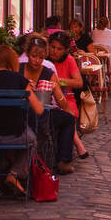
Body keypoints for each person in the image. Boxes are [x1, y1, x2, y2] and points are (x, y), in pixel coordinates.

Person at [0, 44, 43, 198]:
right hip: (16, 134)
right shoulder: (20, 80)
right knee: (33, 140)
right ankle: (14, 173)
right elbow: (39, 110)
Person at [20, 36, 77, 174]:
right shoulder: (18, 69)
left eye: (41, 57)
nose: (37, 60)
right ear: (27, 54)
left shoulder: (48, 73)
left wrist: (68, 109)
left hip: (43, 114)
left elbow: (59, 98)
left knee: (68, 119)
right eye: (34, 56)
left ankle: (63, 160)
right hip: (20, 113)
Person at [46, 32, 89, 160]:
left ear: (65, 50)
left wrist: (60, 81)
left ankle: (75, 146)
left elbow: (78, 82)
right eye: (53, 47)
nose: (54, 51)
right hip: (48, 99)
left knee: (67, 112)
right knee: (65, 113)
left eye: (59, 49)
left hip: (66, 97)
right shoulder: (43, 60)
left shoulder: (69, 60)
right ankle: (79, 145)